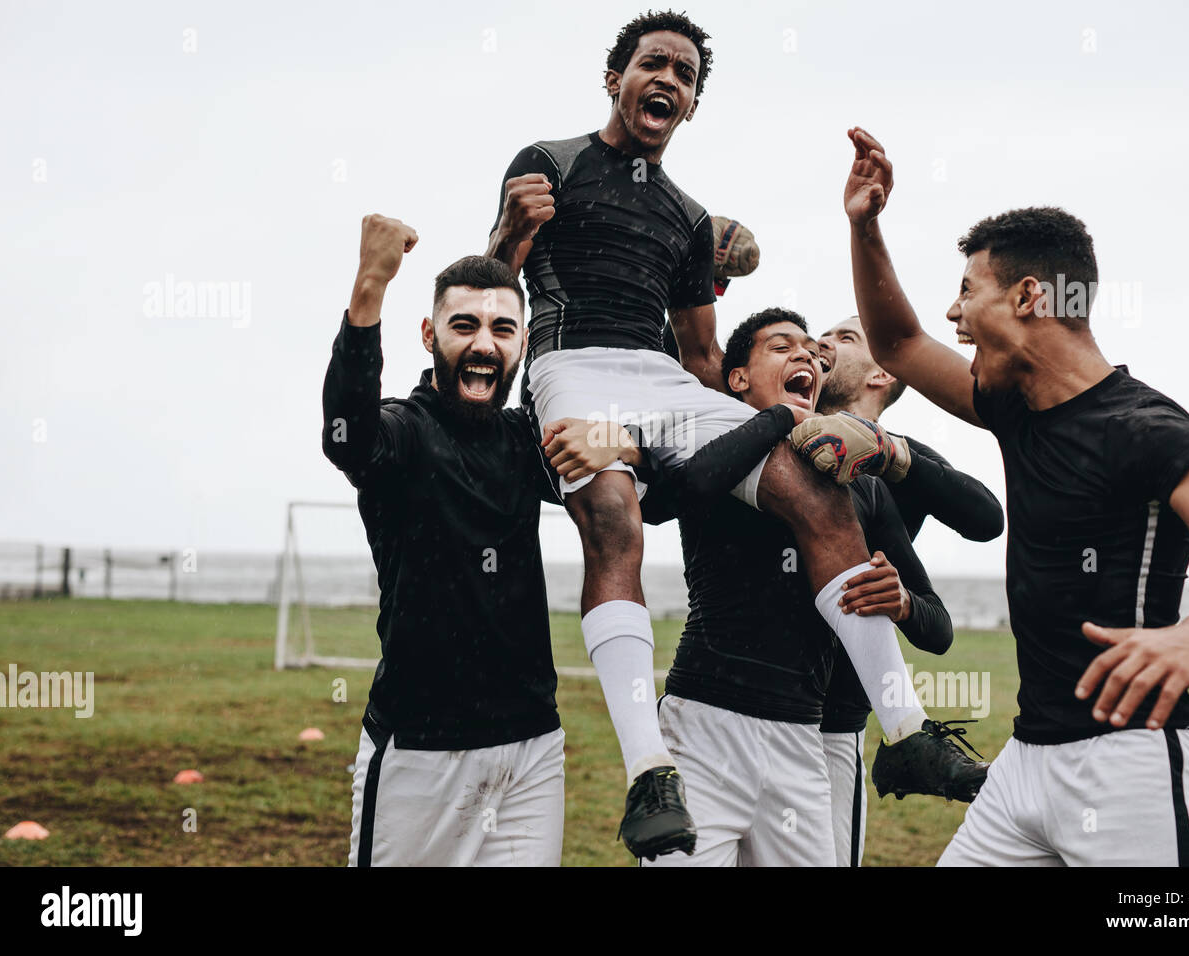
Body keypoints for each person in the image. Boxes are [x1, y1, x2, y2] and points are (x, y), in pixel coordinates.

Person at [489, 9, 964, 862]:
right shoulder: (547, 164)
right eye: (652, 64)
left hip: (662, 377)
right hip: (574, 364)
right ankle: (650, 774)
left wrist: (752, 438)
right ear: (616, 79)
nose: (667, 79)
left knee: (814, 488)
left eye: (685, 74)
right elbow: (493, 290)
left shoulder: (688, 218)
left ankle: (907, 728)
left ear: (693, 104)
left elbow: (704, 353)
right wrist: (510, 233)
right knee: (615, 517)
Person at [840, 125, 1189, 865]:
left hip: (1132, 766)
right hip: (1023, 765)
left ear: (1027, 296)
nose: (953, 317)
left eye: (965, 292)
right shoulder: (1015, 410)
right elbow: (896, 345)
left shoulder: (1143, 427)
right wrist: (866, 225)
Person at [323, 215, 639, 866]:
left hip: (530, 748)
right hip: (417, 752)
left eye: (501, 329)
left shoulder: (527, 440)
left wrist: (625, 441)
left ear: (522, 342)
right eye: (464, 326)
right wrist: (371, 285)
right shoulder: (401, 433)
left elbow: (651, 487)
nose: (484, 344)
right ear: (428, 335)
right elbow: (344, 436)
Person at [634, 309, 980, 866]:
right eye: (781, 347)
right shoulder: (722, 451)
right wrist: (774, 417)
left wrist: (902, 601)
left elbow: (937, 624)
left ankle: (910, 733)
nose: (807, 355)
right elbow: (674, 494)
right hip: (703, 721)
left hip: (806, 734)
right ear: (738, 379)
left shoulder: (863, 486)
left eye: (813, 352)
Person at [815, 315, 1004, 866]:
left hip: (837, 718)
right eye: (820, 334)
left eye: (847, 336)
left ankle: (909, 737)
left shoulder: (899, 467)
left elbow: (986, 518)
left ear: (882, 373)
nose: (823, 341)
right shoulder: (766, 431)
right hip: (738, 697)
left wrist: (890, 453)